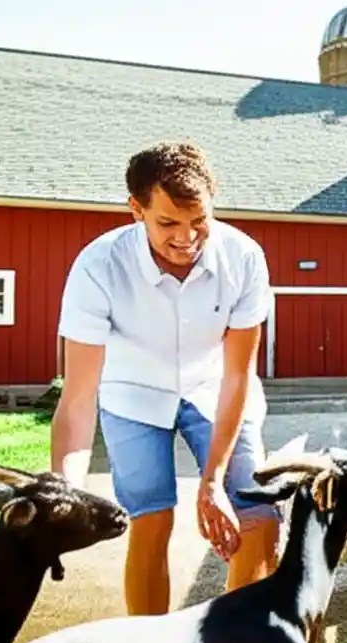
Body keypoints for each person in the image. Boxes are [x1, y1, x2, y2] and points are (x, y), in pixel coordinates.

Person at [51, 140, 280, 616]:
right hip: (132, 396)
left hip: (215, 390)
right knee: (151, 521)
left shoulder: (244, 258)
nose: (187, 238)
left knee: (259, 516)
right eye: (168, 223)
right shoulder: (98, 266)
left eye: (200, 222)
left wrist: (213, 480)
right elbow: (77, 399)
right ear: (136, 210)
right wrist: (63, 492)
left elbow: (238, 375)